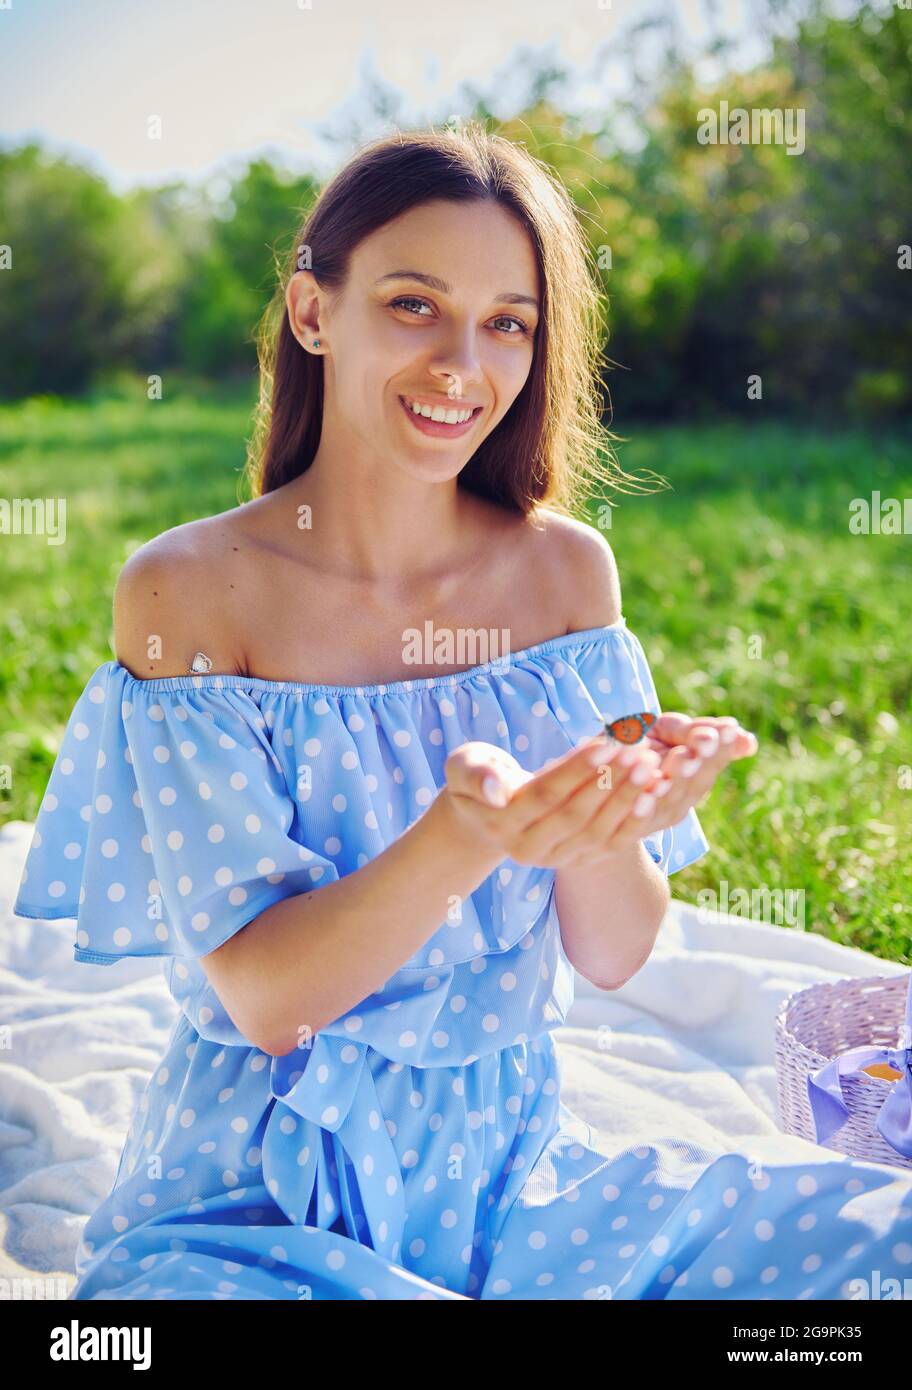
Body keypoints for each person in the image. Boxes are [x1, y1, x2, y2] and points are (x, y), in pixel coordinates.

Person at [14, 122, 912, 1300]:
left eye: (507, 323)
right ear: (311, 312)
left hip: (513, 1186)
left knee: (880, 1240)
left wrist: (601, 818)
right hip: (253, 1210)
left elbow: (616, 948)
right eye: (412, 305)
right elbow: (270, 995)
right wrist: (467, 834)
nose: (461, 365)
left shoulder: (564, 575)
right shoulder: (189, 591)